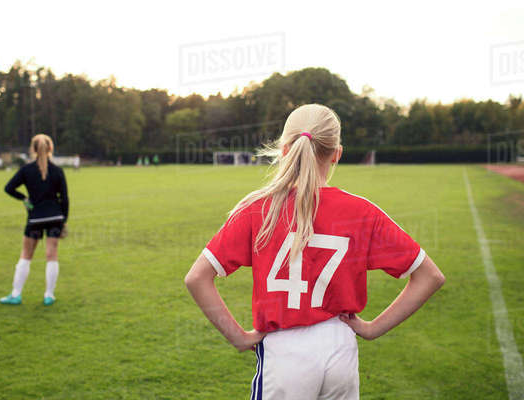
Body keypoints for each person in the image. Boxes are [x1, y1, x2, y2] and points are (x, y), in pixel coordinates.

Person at [185, 104, 445, 399]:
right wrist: (372, 329)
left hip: (285, 353)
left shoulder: (258, 210)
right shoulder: (361, 212)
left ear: (285, 150)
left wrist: (239, 338)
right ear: (337, 153)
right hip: (340, 348)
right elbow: (430, 276)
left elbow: (197, 278)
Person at [0, 134, 69, 306]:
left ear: (33, 150)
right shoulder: (58, 171)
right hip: (55, 218)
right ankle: (49, 295)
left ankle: (16, 294)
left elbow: (8, 188)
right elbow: (65, 198)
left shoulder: (26, 170)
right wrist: (64, 221)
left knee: (26, 256)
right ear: (51, 149)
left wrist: (24, 198)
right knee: (51, 255)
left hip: (35, 218)